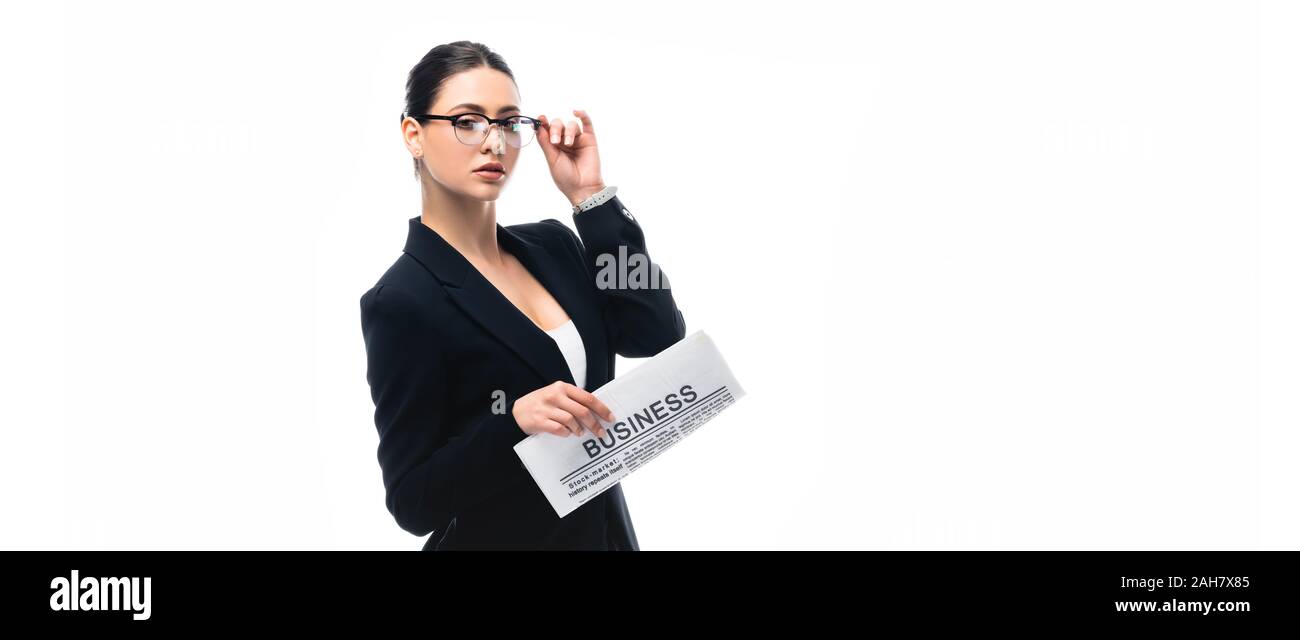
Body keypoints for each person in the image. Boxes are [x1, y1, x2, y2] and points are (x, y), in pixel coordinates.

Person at [359, 41, 686, 550]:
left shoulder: (554, 246)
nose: (494, 143)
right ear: (414, 134)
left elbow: (657, 332)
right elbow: (412, 501)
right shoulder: (402, 300)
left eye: (509, 123)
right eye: (468, 121)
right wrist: (514, 421)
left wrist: (590, 199)